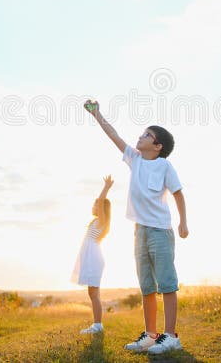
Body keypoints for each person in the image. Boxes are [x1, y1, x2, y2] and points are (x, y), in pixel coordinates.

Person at [84, 99, 188, 354]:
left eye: (146, 135)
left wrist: (183, 222)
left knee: (166, 283)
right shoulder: (135, 158)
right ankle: (151, 335)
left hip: (160, 231)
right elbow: (113, 135)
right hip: (139, 231)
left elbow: (178, 193)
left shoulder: (164, 165)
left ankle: (171, 335)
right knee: (147, 286)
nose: (140, 137)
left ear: (157, 145)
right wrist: (97, 114)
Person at [71, 175, 114, 334]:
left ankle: (97, 325)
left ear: (101, 208)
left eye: (96, 204)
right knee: (93, 293)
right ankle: (97, 324)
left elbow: (102, 200)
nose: (94, 206)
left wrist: (106, 188)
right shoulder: (95, 222)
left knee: (94, 293)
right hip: (91, 257)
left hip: (94, 258)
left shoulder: (102, 220)